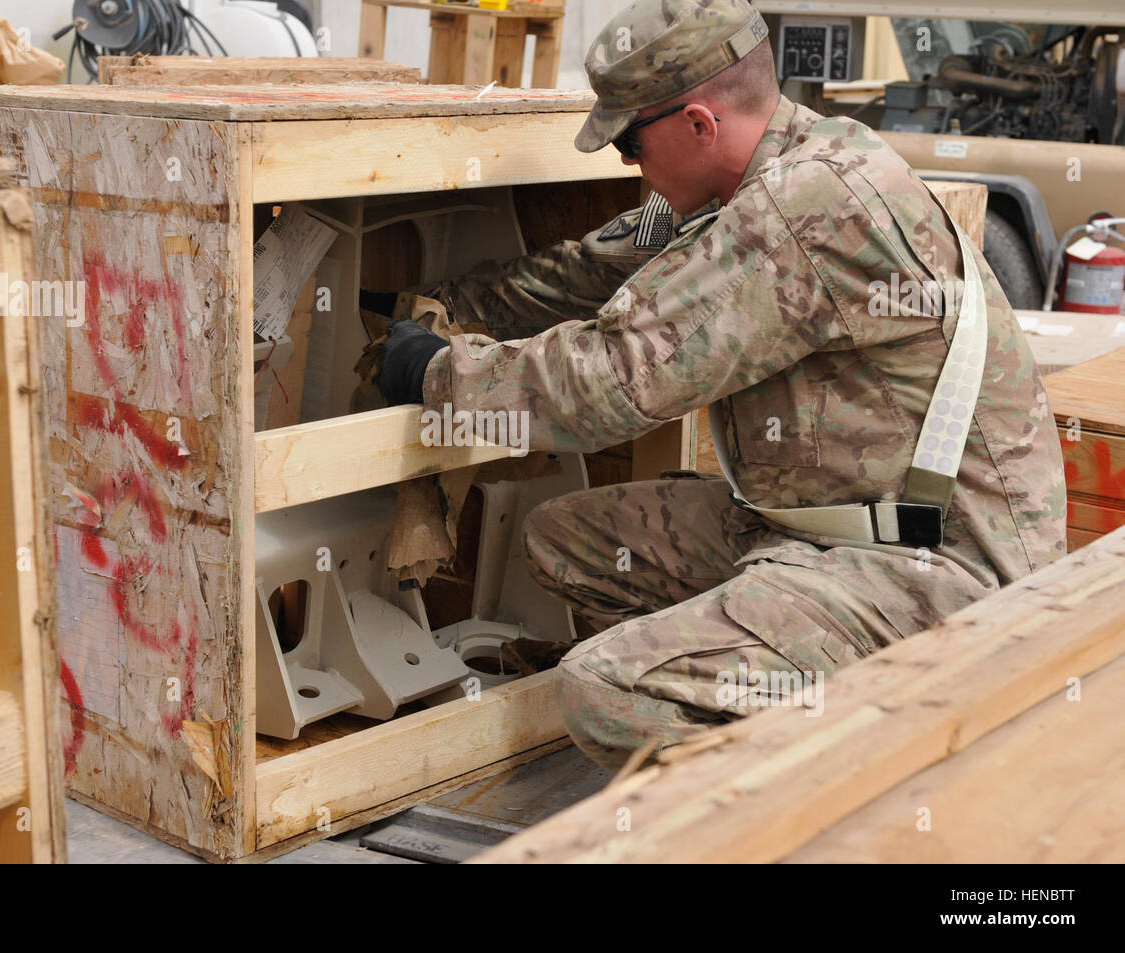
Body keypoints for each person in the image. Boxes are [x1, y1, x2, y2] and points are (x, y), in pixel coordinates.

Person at [375, 0, 1066, 771]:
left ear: (699, 124)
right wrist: (457, 306)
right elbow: (597, 266)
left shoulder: (799, 211)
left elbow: (610, 382)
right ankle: (751, 673)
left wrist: (434, 373)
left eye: (632, 143)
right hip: (826, 523)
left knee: (603, 691)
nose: (628, 165)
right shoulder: (772, 164)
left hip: (936, 571)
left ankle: (815, 799)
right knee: (562, 541)